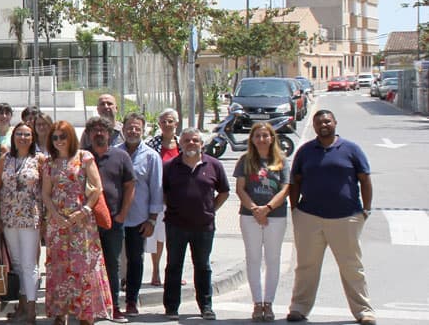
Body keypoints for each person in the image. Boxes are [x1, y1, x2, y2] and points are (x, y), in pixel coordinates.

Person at [287, 110, 375, 325]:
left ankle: (363, 311)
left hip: (346, 217)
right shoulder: (305, 151)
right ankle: (299, 308)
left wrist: (366, 209)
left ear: (335, 122)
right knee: (306, 266)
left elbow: (365, 179)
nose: (323, 125)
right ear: (314, 126)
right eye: (318, 123)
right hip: (309, 217)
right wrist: (295, 210)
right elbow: (295, 181)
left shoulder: (351, 149)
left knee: (351, 267)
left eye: (327, 121)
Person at [42, 120, 112, 324]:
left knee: (83, 266)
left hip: (82, 223)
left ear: (71, 137)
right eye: (55, 137)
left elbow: (97, 188)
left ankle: (85, 313)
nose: (59, 141)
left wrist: (84, 211)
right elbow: (45, 193)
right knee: (59, 267)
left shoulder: (84, 157)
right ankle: (60, 313)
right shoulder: (49, 163)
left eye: (63, 136)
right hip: (58, 224)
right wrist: (55, 215)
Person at [160, 128, 229, 320]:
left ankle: (206, 306)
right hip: (176, 225)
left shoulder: (214, 165)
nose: (191, 143)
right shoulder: (170, 166)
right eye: (187, 140)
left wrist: (211, 209)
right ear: (180, 144)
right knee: (173, 266)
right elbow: (163, 192)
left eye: (195, 140)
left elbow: (224, 192)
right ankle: (171, 307)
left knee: (203, 266)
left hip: (204, 226)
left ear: (202, 144)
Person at [236, 122, 291, 323]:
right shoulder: (245, 160)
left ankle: (269, 303)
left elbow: (285, 189)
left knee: (273, 259)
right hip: (249, 216)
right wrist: (254, 210)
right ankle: (257, 303)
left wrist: (267, 209)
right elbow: (240, 189)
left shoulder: (281, 160)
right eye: (257, 136)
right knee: (253, 258)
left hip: (275, 216)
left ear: (272, 138)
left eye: (265, 135)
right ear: (252, 139)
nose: (261, 139)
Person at [0, 122, 44, 324]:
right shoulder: (5, 159)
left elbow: (45, 189)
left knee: (29, 264)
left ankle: (31, 310)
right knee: (18, 264)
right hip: (9, 218)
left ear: (32, 138)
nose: (23, 138)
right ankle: (22, 306)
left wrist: (46, 219)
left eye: (27, 134)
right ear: (13, 137)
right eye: (19, 134)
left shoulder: (39, 159)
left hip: (30, 218)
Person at [83, 116, 136, 322]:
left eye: (102, 130)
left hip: (113, 221)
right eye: (94, 130)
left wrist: (122, 214)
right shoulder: (82, 157)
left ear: (109, 133)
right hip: (87, 222)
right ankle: (89, 308)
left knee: (112, 265)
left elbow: (130, 186)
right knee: (87, 265)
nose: (98, 133)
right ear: (89, 134)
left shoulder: (121, 156)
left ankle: (113, 307)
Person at [118, 113, 163, 318]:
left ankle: (131, 301)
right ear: (123, 129)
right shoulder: (114, 153)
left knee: (135, 260)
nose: (133, 131)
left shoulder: (151, 156)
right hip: (115, 218)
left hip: (139, 219)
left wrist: (152, 219)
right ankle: (112, 302)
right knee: (113, 262)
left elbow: (156, 189)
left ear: (143, 131)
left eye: (137, 128)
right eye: (129, 127)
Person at [143, 108, 180, 286]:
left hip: (177, 199)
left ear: (176, 123)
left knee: (175, 238)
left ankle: (174, 273)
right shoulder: (151, 145)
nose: (167, 124)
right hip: (157, 197)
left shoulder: (183, 144)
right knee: (157, 237)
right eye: (163, 121)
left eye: (170, 121)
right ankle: (156, 272)